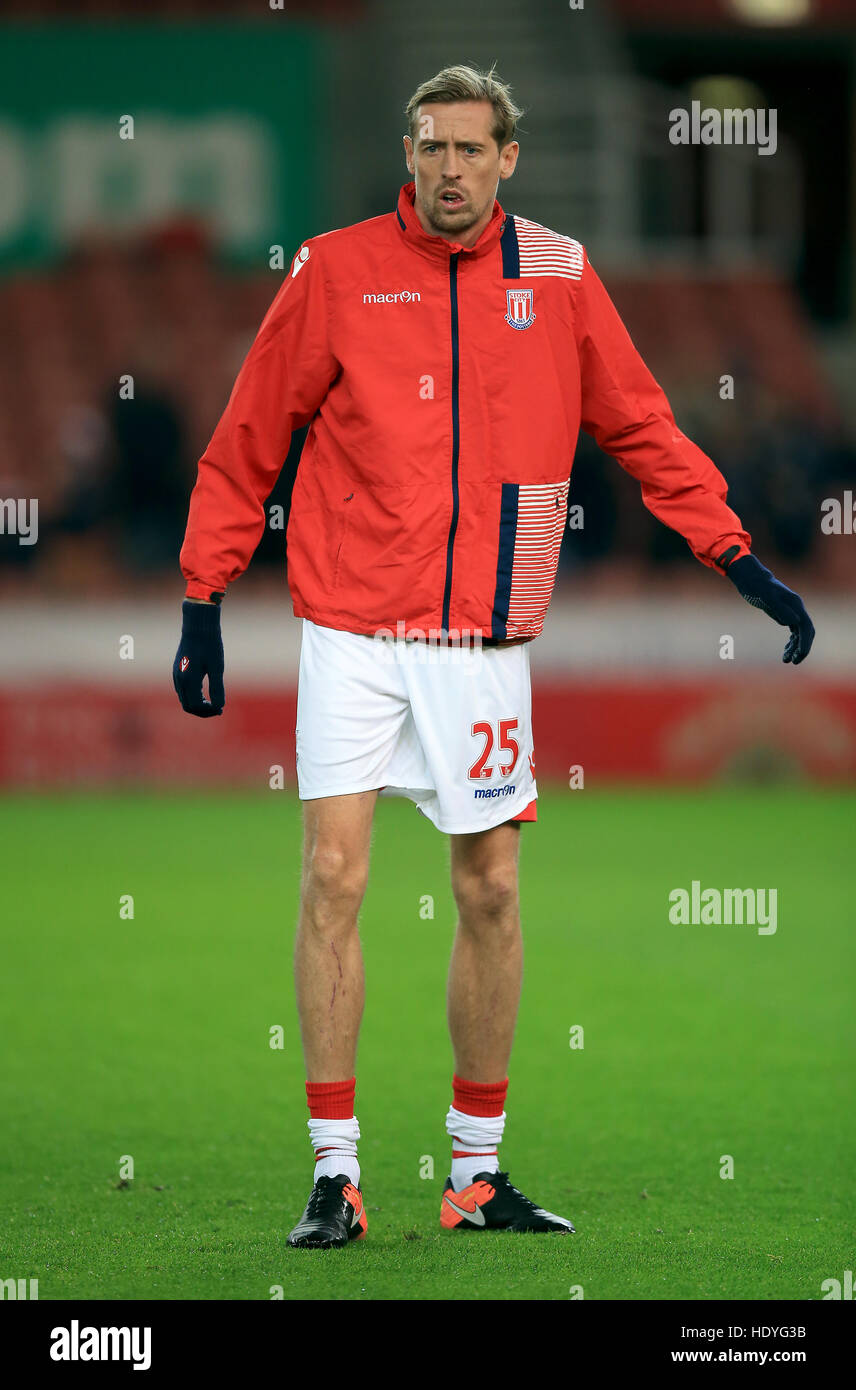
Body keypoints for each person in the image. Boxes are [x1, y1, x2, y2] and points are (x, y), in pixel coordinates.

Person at [173, 64, 814, 1249]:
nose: (451, 169)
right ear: (407, 155)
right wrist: (204, 591)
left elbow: (638, 422)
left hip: (481, 639)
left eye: (472, 149)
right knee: (333, 880)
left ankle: (474, 1175)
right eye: (431, 148)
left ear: (508, 158)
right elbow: (250, 431)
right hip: (355, 629)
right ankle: (334, 1173)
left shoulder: (560, 277)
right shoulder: (333, 270)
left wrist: (735, 554)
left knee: (493, 889)